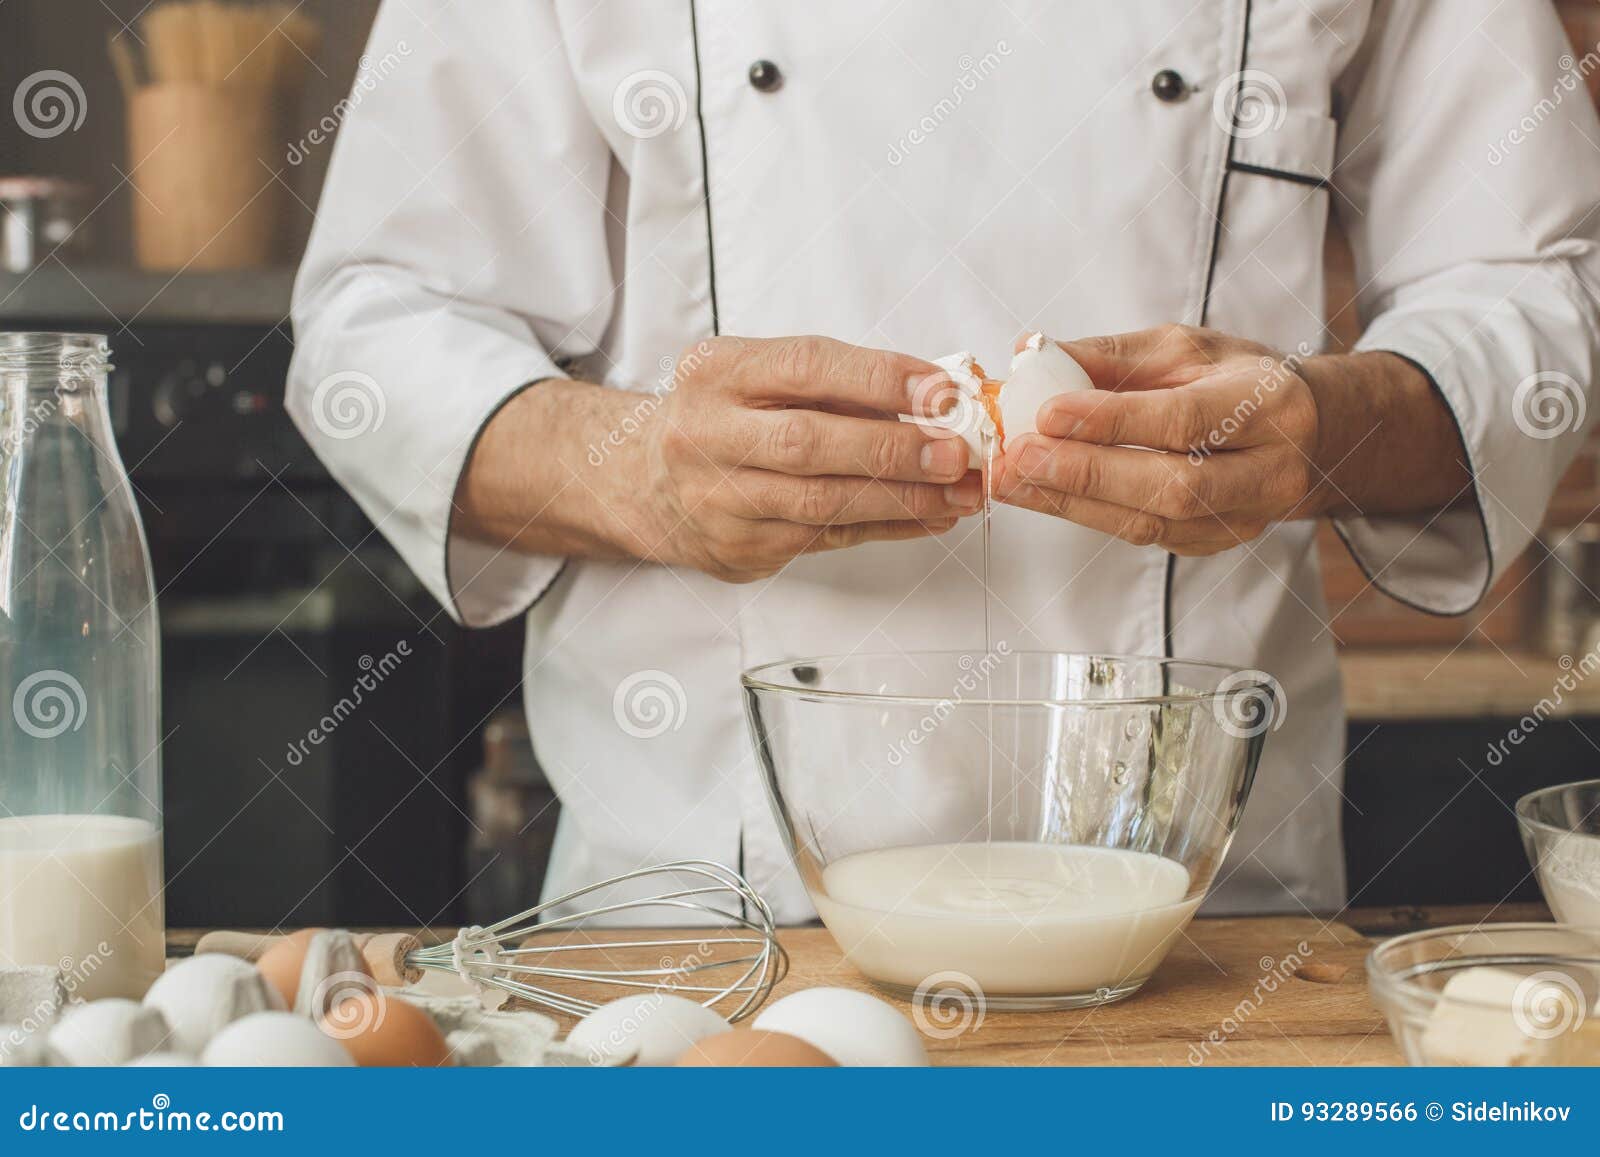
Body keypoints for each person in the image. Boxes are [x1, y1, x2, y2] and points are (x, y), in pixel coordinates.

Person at [288, 1, 1600, 920]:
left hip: (1211, 924)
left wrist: (1331, 426)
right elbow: (376, 324)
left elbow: (1531, 287)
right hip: (704, 918)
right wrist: (637, 463)